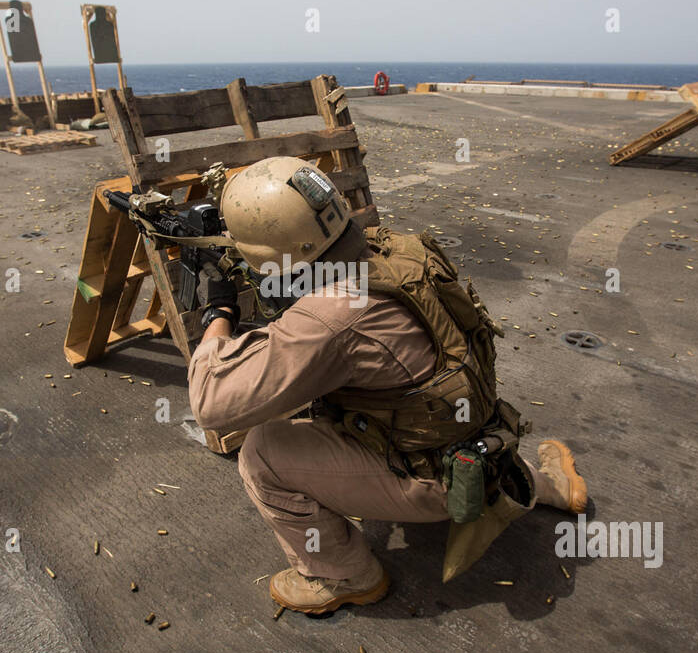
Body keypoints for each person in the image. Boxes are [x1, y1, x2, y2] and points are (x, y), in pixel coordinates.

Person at [187, 157, 589, 615]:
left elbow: (210, 402)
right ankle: (552, 485)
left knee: (262, 452)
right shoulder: (398, 250)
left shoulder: (328, 319)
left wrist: (218, 311)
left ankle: (342, 575)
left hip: (431, 477)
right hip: (482, 436)